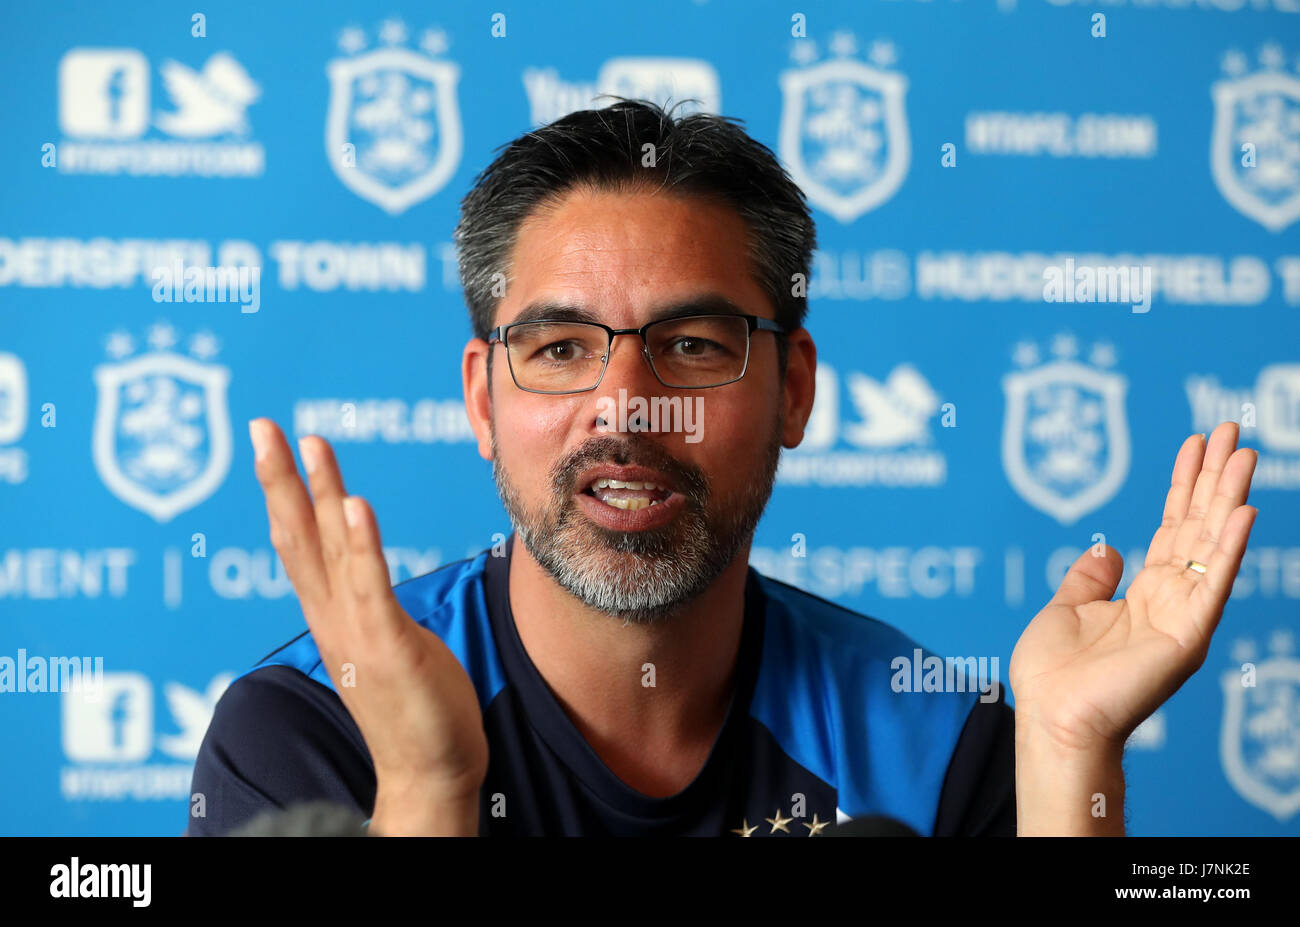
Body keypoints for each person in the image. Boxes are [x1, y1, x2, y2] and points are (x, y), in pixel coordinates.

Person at [186, 99, 1258, 837]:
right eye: (560, 350)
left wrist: (1070, 758)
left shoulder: (936, 742)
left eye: (692, 346)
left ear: (792, 389)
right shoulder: (315, 731)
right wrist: (426, 784)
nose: (625, 404)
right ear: (482, 398)